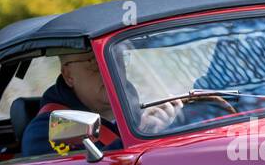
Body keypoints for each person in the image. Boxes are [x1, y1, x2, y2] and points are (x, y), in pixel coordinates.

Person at [20, 52, 183, 156]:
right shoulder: (46, 131)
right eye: (94, 63)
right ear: (69, 75)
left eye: (116, 60)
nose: (111, 71)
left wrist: (175, 120)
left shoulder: (140, 113)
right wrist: (139, 135)